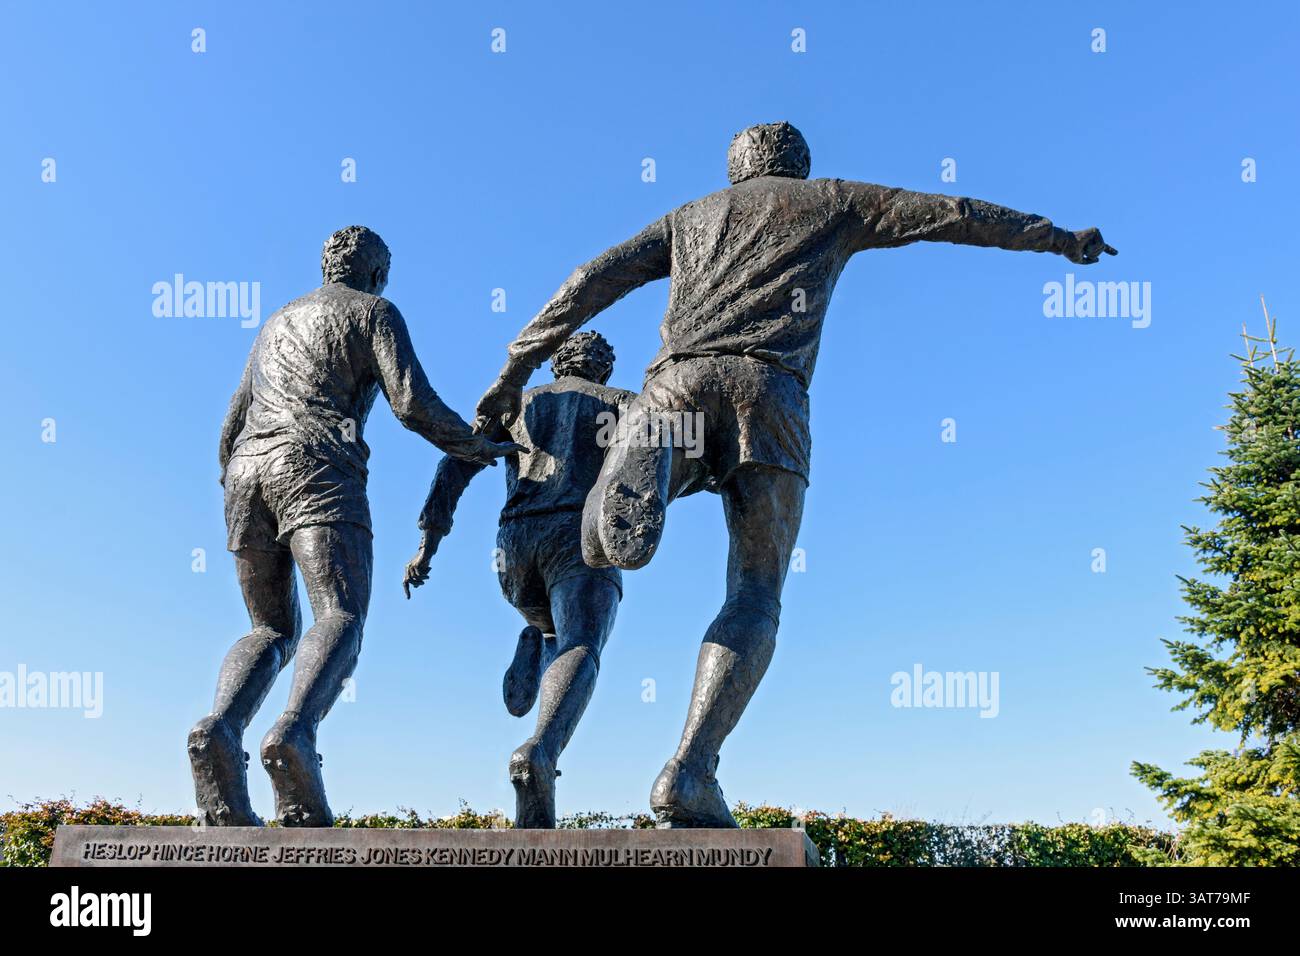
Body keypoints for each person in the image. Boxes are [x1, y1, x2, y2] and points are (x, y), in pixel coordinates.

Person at [473, 122, 1118, 827]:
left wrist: (515, 368)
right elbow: (952, 214)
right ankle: (689, 770)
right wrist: (1057, 236)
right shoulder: (832, 201)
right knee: (755, 592)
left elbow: (589, 280)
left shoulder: (691, 217)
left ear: (734, 169)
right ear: (798, 166)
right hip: (767, 398)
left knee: (627, 486)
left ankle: (635, 472)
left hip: (675, 389)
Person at [189, 225, 520, 827]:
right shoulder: (374, 312)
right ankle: (293, 736)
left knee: (267, 627)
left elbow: (232, 420)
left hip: (244, 471)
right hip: (314, 463)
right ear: (375, 273)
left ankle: (218, 729)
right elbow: (411, 402)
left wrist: (237, 481)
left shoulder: (276, 322)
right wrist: (472, 446)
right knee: (338, 613)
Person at [405, 331, 633, 828]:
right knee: (582, 646)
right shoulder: (621, 405)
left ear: (557, 366)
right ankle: (540, 751)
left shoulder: (517, 405)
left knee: (551, 624)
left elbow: (454, 467)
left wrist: (428, 545)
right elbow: (668, 457)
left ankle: (536, 634)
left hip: (514, 552)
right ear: (605, 369)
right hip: (579, 538)